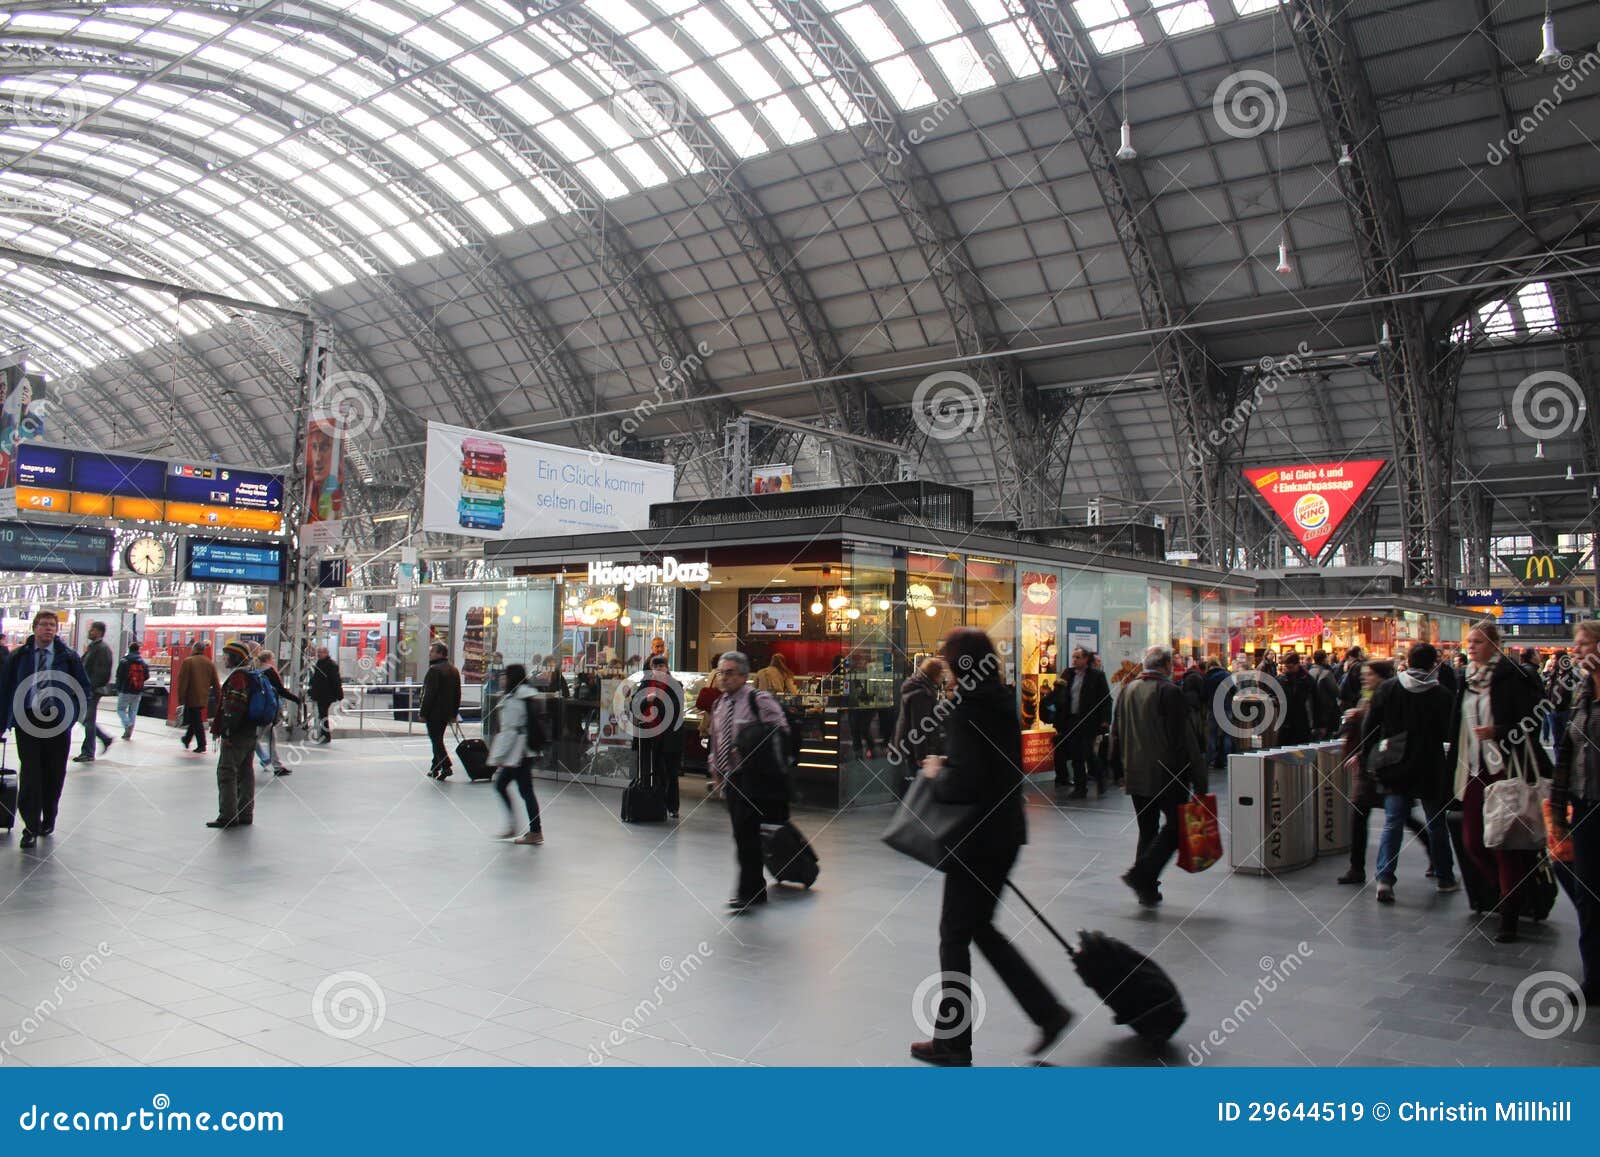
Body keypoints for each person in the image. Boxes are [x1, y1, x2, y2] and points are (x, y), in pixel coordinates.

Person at [910, 627, 1073, 1067]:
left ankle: (955, 1041)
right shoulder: (999, 702)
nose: (943, 671)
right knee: (978, 930)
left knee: (955, 936)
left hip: (975, 838)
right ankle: (1045, 1011)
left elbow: (966, 782)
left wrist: (933, 774)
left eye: (947, 662)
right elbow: (994, 767)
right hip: (1003, 832)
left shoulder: (965, 709)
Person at [1451, 619, 1551, 942]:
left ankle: (1509, 914)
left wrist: (1499, 731)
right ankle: (1512, 892)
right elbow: (1457, 727)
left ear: (1494, 644)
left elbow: (1531, 720)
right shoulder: (1465, 680)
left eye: (1478, 642)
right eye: (1469, 642)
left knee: (1504, 843)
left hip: (1506, 769)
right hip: (1473, 770)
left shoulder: (1512, 677)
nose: (1471, 647)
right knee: (1473, 842)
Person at [1111, 645, 1206, 907]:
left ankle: (1147, 888)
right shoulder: (1169, 691)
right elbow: (1184, 739)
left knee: (1147, 828)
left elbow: (1115, 731)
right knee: (1176, 827)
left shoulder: (1128, 690)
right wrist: (1199, 780)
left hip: (1135, 773)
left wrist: (1117, 770)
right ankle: (1142, 875)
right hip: (1167, 774)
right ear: (1165, 666)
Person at [1362, 644, 1458, 902]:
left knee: (1393, 822)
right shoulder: (1442, 695)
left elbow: (1370, 726)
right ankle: (1445, 877)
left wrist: (1368, 758)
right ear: (1432, 665)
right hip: (1430, 765)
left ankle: (1384, 879)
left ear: (1409, 661)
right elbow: (1451, 733)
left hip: (1395, 765)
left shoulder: (1388, 688)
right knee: (1436, 824)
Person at [0, 611, 92, 850]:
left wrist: (70, 715)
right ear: (35, 628)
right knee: (31, 773)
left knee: (54, 773)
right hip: (27, 720)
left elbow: (84, 688)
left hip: (57, 723)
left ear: (56, 629)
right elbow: (5, 689)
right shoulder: (19, 656)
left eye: (52, 625)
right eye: (43, 625)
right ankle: (30, 826)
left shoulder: (68, 657)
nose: (48, 629)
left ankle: (49, 818)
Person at [707, 651, 790, 913]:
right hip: (731, 778)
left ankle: (749, 891)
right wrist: (716, 773)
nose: (724, 677)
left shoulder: (758, 700)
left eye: (730, 672)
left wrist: (754, 744)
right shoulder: (719, 704)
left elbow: (781, 729)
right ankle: (754, 888)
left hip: (753, 777)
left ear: (744, 675)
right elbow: (716, 740)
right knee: (744, 834)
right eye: (721, 672)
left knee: (746, 834)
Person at [1335, 660, 1430, 886]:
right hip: (1369, 764)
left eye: (1369, 674)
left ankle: (1434, 854)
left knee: (1401, 816)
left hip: (1387, 764)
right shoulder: (1366, 697)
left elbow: (1386, 729)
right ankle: (1356, 867)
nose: (1364, 677)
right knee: (1361, 813)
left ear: (1381, 676)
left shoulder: (1391, 695)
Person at [1552, 619, 1600, 1005]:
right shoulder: (1582, 694)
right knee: (1585, 890)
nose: (1577, 650)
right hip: (1585, 806)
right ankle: (1595, 977)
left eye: (1583, 644)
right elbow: (1566, 754)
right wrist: (1557, 804)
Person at [487, 663, 544, 845]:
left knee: (520, 789)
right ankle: (527, 829)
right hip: (523, 750)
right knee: (516, 788)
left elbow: (510, 730)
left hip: (518, 752)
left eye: (505, 675)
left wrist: (500, 756)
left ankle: (534, 831)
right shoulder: (525, 695)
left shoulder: (515, 699)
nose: (502, 679)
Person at [1043, 647, 1111, 799]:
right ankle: (1081, 788)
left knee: (1087, 752)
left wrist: (1105, 720)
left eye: (1078, 657)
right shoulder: (1068, 673)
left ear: (1086, 659)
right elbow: (1059, 694)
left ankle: (1100, 777)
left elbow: (1106, 700)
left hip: (1088, 720)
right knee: (1076, 754)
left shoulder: (1097, 676)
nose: (1074, 660)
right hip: (1071, 720)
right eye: (1073, 657)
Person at [207, 641, 261, 829]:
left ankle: (227, 815)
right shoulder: (251, 675)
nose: (224, 658)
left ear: (236, 658)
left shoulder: (238, 678)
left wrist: (227, 731)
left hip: (237, 733)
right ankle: (245, 813)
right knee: (246, 773)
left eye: (227, 655)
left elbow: (234, 708)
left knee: (226, 772)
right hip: (250, 731)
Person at [634, 655, 685, 817]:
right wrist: (646, 701)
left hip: (670, 737)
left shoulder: (676, 685)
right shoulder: (645, 685)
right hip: (650, 737)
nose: (658, 670)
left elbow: (676, 709)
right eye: (655, 668)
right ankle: (657, 804)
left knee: (671, 772)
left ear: (667, 668)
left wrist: (655, 702)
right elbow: (634, 705)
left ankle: (673, 807)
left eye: (661, 667)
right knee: (654, 771)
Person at [890, 658, 945, 797]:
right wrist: (920, 755)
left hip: (909, 744)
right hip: (914, 747)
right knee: (919, 787)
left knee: (917, 785)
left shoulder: (917, 687)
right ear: (934, 674)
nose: (943, 676)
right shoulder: (921, 693)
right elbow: (919, 725)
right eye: (941, 673)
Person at [73, 620, 115, 763]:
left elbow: (102, 673)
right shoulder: (94, 647)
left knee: (87, 720)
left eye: (92, 630)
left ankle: (89, 752)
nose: (89, 632)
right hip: (89, 689)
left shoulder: (102, 649)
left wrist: (90, 687)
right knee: (85, 718)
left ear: (98, 632)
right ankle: (104, 739)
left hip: (93, 690)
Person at [420, 642, 462, 780]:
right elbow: (457, 694)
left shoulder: (434, 670)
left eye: (432, 652)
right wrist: (454, 713)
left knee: (436, 740)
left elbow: (429, 693)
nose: (430, 654)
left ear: (440, 654)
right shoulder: (453, 670)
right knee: (438, 739)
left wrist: (423, 712)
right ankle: (435, 768)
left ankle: (446, 765)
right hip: (446, 712)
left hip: (434, 712)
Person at [253, 650, 299, 777]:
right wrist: (295, 699)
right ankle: (265, 761)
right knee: (255, 739)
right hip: (269, 710)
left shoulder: (255, 671)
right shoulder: (270, 671)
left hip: (260, 710)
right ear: (269, 659)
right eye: (272, 659)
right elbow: (281, 690)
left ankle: (275, 764)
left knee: (270, 738)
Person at [175, 641, 221, 754]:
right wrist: (218, 698)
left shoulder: (188, 661)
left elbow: (182, 681)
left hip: (191, 696)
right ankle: (187, 739)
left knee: (197, 721)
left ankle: (202, 744)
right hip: (203, 696)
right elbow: (216, 682)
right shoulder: (209, 663)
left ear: (194, 649)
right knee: (194, 718)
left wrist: (181, 698)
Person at [1275, 651, 1318, 745]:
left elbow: (1316, 702)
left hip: (1301, 722)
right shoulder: (1282, 679)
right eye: (1286, 667)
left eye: (1290, 667)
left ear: (1297, 665)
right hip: (1286, 722)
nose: (1287, 669)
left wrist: (1318, 724)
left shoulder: (1307, 680)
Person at [113, 640, 150, 741]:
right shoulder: (142, 662)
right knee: (132, 711)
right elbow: (146, 676)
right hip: (138, 690)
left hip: (125, 689)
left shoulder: (124, 660)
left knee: (120, 709)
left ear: (129, 649)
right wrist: (138, 682)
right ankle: (129, 732)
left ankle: (127, 724)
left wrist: (118, 687)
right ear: (138, 650)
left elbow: (119, 675)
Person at [308, 645, 343, 743]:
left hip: (326, 694)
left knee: (323, 714)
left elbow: (335, 680)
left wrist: (339, 694)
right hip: (320, 693)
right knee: (322, 714)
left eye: (321, 652)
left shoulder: (330, 665)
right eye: (318, 652)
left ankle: (325, 735)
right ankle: (324, 734)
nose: (318, 654)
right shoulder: (320, 663)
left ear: (326, 653)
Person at [1202, 659, 1230, 769]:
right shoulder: (1227, 675)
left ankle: (1209, 760)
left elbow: (1204, 694)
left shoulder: (1207, 677)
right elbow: (1234, 690)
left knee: (1212, 735)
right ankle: (1224, 760)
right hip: (1226, 708)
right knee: (1226, 735)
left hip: (1212, 708)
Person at [1307, 649, 1342, 738]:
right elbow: (1336, 691)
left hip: (1312, 713)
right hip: (1325, 713)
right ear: (1324, 659)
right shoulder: (1326, 673)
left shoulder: (1309, 672)